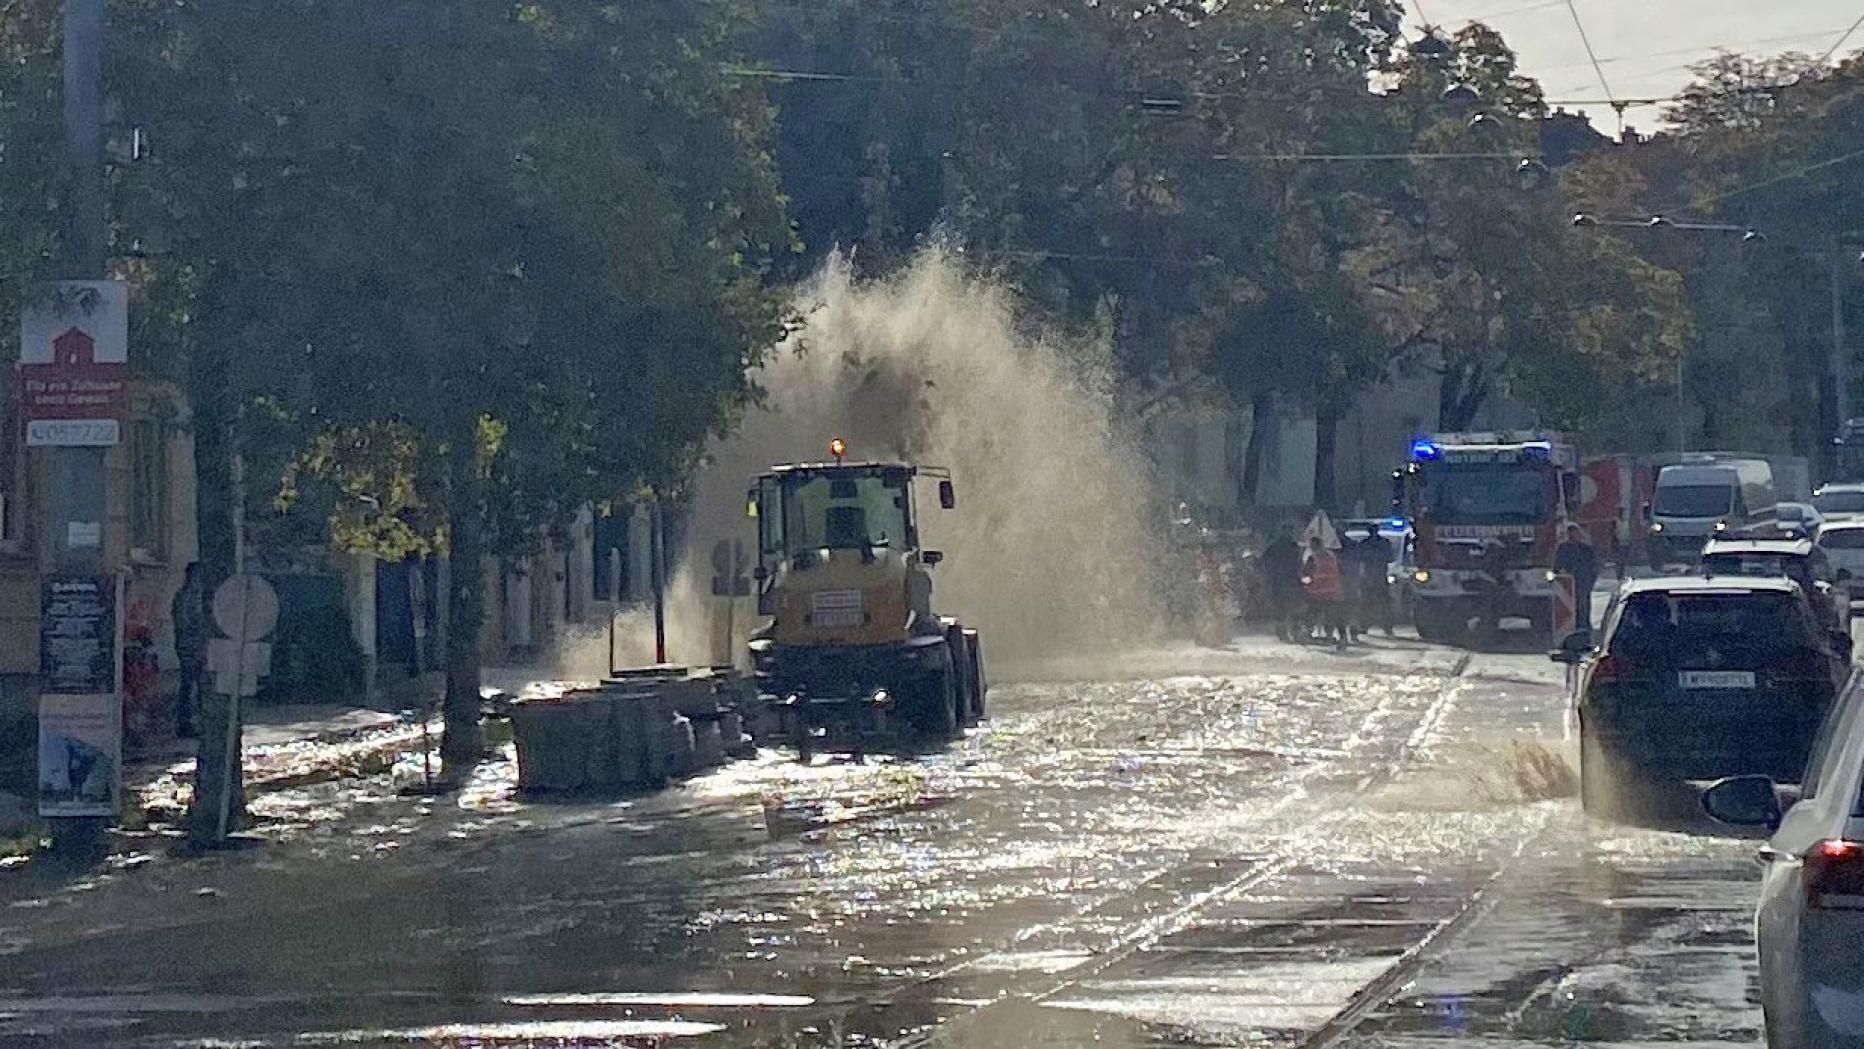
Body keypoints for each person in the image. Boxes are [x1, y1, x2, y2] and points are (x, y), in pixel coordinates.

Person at [170, 562, 205, 738]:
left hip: (187, 645)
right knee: (193, 686)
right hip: (192, 646)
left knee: (190, 685)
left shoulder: (182, 595)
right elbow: (190, 622)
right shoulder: (191, 597)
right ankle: (188, 723)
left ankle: (189, 722)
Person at [1554, 524, 1600, 638]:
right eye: (1570, 533)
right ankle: (1570, 626)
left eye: (1574, 533)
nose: (1573, 536)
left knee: (1583, 603)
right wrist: (1556, 575)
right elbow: (1557, 564)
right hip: (1568, 583)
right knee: (1570, 604)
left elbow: (1594, 565)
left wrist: (1592, 579)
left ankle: (1584, 625)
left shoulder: (1586, 549)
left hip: (1584, 580)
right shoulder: (1563, 548)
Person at [1302, 535, 1345, 650]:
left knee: (1312, 614)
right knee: (1333, 616)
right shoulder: (1332, 556)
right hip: (1333, 591)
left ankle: (1307, 634)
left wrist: (1305, 583)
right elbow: (1340, 571)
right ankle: (1336, 638)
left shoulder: (1313, 558)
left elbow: (1305, 573)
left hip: (1318, 593)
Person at [1261, 526, 1303, 642]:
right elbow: (1265, 561)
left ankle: (1288, 632)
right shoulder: (1290, 546)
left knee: (1286, 607)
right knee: (1286, 607)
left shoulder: (1279, 546)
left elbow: (1264, 561)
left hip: (1283, 581)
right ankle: (1285, 632)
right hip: (1284, 581)